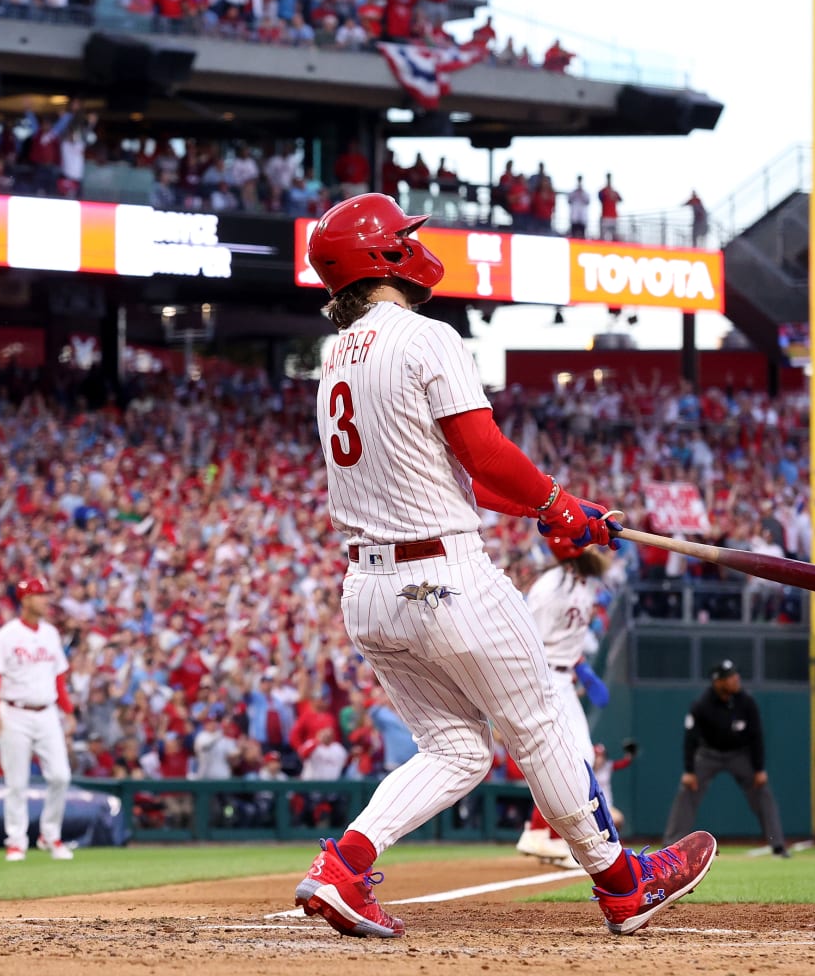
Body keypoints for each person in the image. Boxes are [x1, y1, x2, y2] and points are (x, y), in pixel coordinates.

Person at [291, 193, 716, 940]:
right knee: (543, 722)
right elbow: (483, 451)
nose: (414, 244)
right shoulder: (426, 337)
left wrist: (559, 507)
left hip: (368, 590)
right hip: (445, 578)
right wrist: (557, 502)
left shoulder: (335, 358)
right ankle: (623, 885)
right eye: (403, 237)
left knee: (456, 750)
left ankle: (342, 867)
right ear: (385, 255)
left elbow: (464, 472)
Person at [513, 540, 612, 867]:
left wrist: (582, 670)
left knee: (572, 757)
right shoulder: (552, 586)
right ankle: (548, 836)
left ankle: (545, 835)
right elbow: (528, 639)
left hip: (564, 676)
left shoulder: (581, 583)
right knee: (575, 756)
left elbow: (565, 636)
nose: (600, 556)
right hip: (545, 678)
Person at [0, 576, 76, 861]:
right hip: (13, 711)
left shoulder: (50, 633)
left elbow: (58, 677)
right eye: (40, 595)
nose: (46, 600)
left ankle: (50, 835)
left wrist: (68, 711)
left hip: (47, 712)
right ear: (25, 600)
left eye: (46, 594)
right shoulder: (7, 634)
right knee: (17, 782)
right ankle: (16, 841)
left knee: (61, 776)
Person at [663, 660, 788, 856]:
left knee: (762, 791)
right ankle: (670, 846)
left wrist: (759, 768)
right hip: (708, 754)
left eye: (735, 675)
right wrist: (689, 771)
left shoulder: (746, 702)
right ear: (718, 682)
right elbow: (690, 739)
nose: (736, 679)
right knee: (687, 790)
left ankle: (777, 844)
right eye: (730, 677)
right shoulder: (702, 704)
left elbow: (757, 736)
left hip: (739, 754)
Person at [598, 174, 622, 240]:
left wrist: (613, 195)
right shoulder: (603, 191)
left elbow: (621, 199)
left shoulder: (614, 192)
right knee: (603, 237)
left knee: (614, 237)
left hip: (613, 217)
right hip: (605, 217)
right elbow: (599, 197)